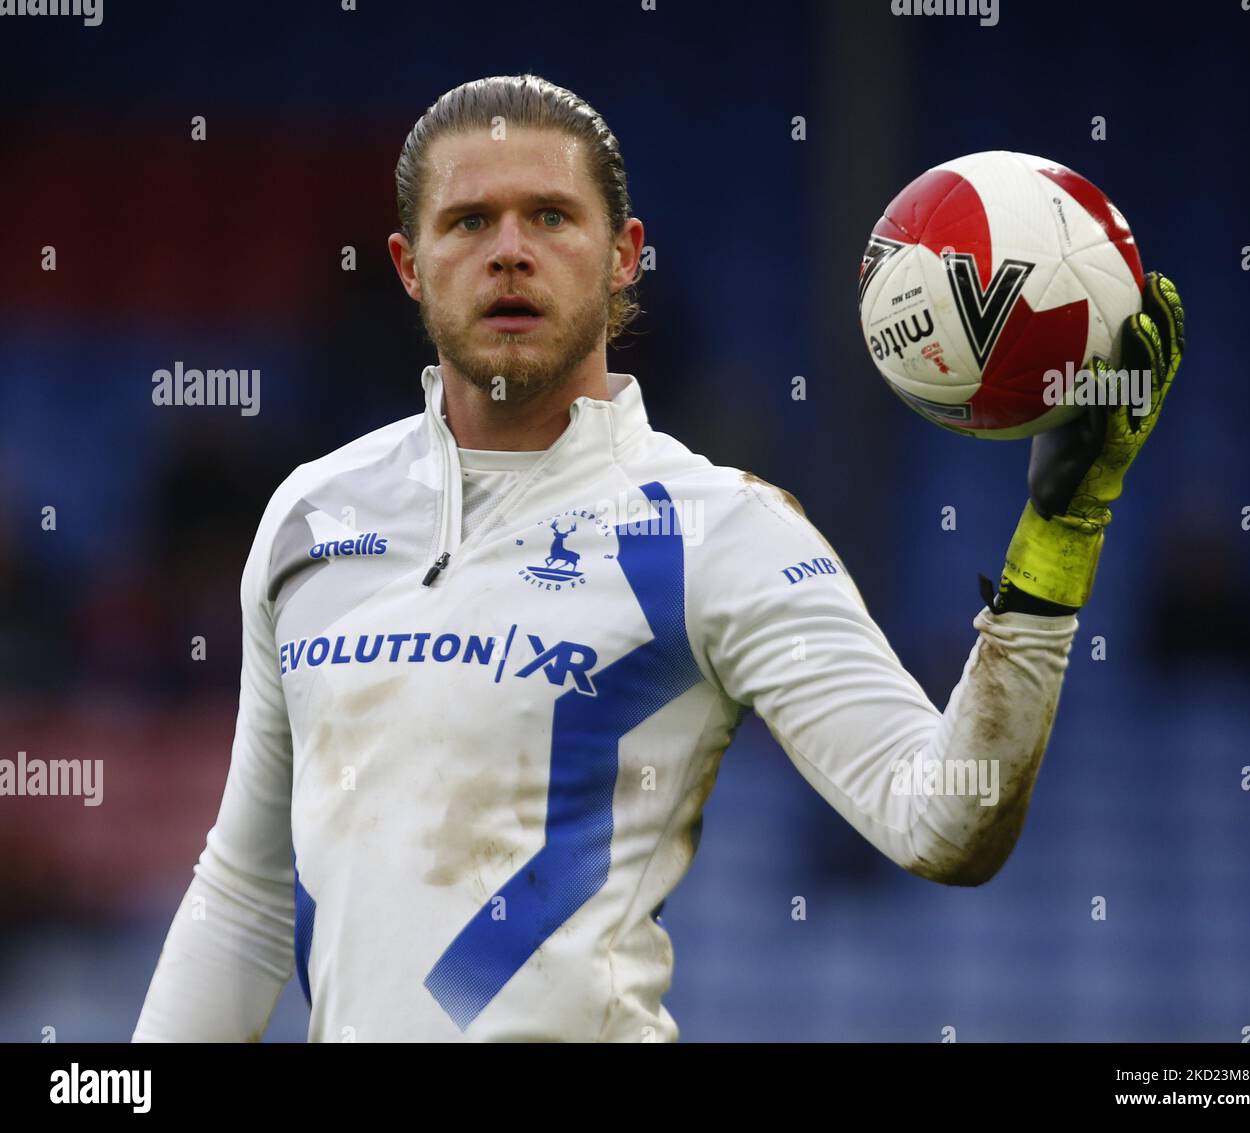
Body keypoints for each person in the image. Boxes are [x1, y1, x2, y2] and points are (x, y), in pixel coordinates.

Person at [133, 73, 1184, 1043]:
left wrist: (1057, 540)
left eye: (550, 216)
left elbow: (944, 820)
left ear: (625, 253)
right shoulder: (311, 517)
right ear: (409, 265)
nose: (509, 250)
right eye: (468, 221)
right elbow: (247, 893)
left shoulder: (719, 531)